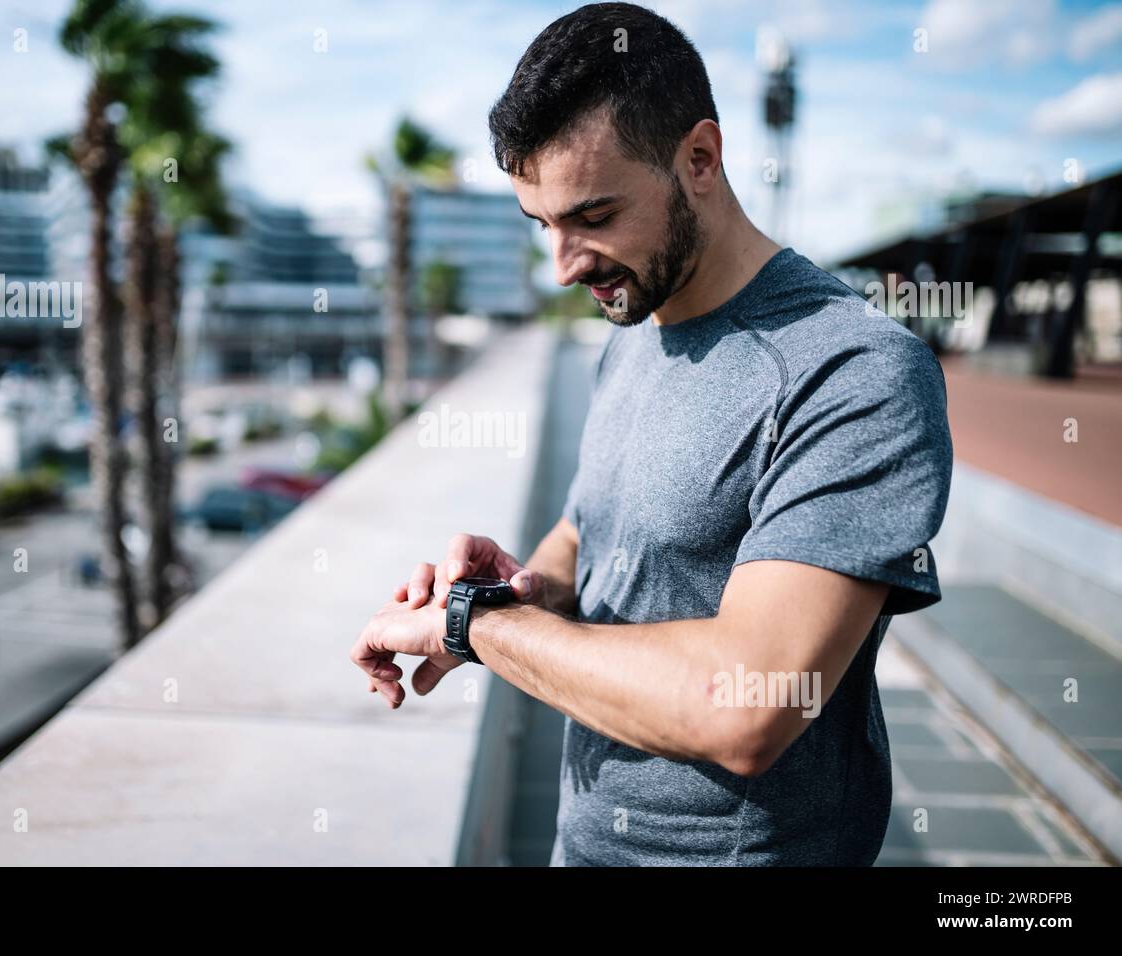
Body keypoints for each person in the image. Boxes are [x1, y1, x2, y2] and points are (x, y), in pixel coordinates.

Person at [348, 2, 952, 866]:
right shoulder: (634, 329)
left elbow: (748, 708)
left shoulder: (854, 371)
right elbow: (583, 528)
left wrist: (475, 624)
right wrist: (528, 586)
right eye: (542, 225)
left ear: (700, 158)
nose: (564, 267)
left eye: (592, 217)